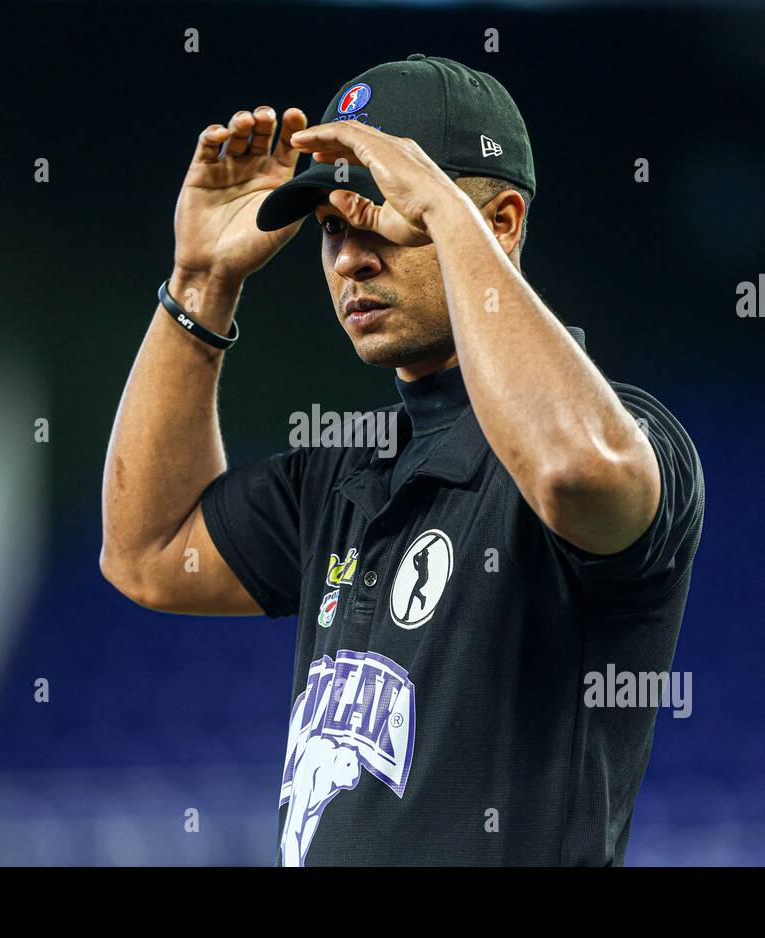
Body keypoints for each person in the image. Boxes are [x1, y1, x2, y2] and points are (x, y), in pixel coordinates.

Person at [101, 55, 705, 865]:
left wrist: (443, 215)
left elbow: (575, 472)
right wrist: (200, 278)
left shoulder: (624, 433)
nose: (350, 258)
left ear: (502, 221)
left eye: (381, 213)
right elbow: (146, 553)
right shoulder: (343, 472)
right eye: (331, 230)